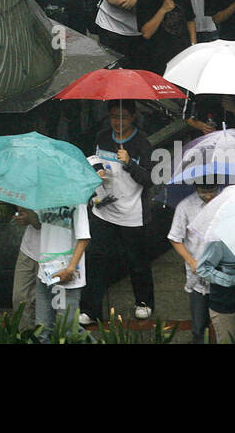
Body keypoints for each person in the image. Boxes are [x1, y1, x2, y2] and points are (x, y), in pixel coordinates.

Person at [82, 102, 155, 322]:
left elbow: (149, 179)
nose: (118, 122)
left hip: (132, 213)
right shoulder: (102, 137)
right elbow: (92, 158)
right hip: (103, 208)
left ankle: (144, 302)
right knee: (95, 259)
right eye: (114, 117)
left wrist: (130, 163)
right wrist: (99, 171)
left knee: (137, 261)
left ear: (133, 118)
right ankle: (91, 310)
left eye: (123, 117)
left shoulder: (143, 143)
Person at [169, 182, 221, 343]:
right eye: (202, 192)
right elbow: (175, 238)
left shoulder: (227, 201)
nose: (207, 196)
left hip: (223, 271)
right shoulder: (185, 206)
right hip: (198, 275)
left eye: (211, 191)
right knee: (199, 327)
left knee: (224, 325)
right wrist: (191, 261)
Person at [32, 203, 91, 340]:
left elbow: (84, 238)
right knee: (42, 328)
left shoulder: (77, 200)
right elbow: (38, 223)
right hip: (45, 273)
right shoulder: (44, 197)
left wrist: (70, 269)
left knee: (68, 329)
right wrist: (23, 208)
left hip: (67, 274)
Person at [135, 0, 196, 74]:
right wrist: (163, 10)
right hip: (158, 56)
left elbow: (190, 20)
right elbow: (146, 33)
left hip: (182, 52)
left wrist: (193, 45)